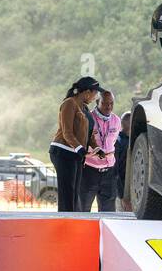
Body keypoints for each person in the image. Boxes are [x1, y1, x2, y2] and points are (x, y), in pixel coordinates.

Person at [51, 76, 101, 213]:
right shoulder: (69, 103)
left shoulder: (84, 108)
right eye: (95, 93)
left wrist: (97, 148)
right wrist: (80, 150)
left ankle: (72, 221)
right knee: (67, 191)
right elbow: (67, 132)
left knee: (74, 192)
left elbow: (89, 134)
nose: (95, 96)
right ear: (86, 92)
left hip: (76, 155)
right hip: (62, 152)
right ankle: (65, 223)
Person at [79, 90, 121, 212]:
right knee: (83, 209)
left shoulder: (116, 120)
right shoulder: (88, 118)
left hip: (109, 172)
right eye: (105, 103)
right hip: (89, 170)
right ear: (97, 102)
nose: (109, 106)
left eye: (111, 103)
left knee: (108, 212)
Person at [116, 110, 132, 212]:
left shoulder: (135, 140)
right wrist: (122, 197)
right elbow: (115, 171)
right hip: (121, 192)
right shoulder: (118, 141)